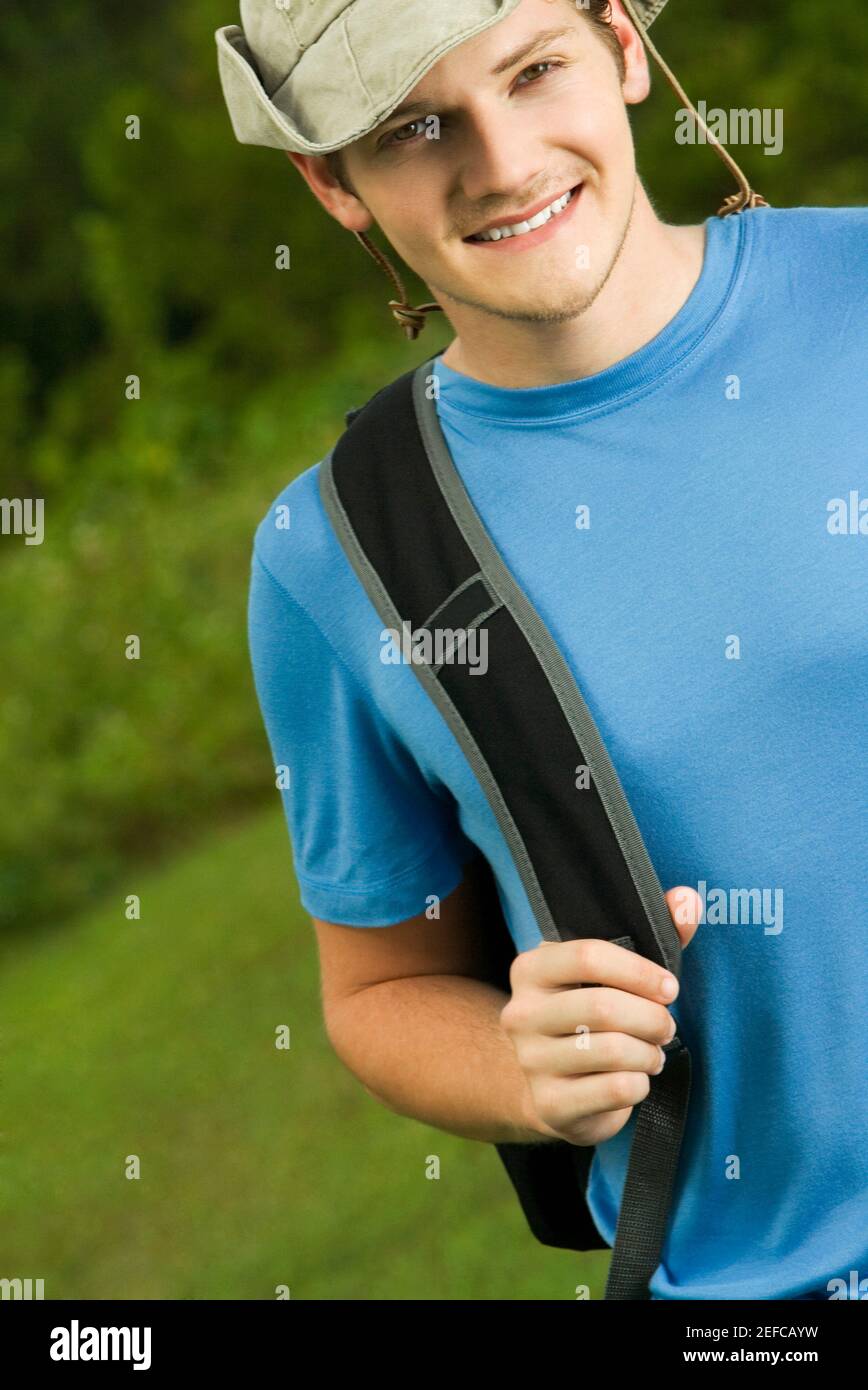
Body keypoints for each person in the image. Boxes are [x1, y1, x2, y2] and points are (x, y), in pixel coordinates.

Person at [218, 0, 868, 1299]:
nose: (503, 161)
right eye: (412, 126)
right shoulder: (339, 553)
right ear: (330, 181)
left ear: (625, 41)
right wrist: (522, 1066)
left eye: (533, 71)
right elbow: (382, 984)